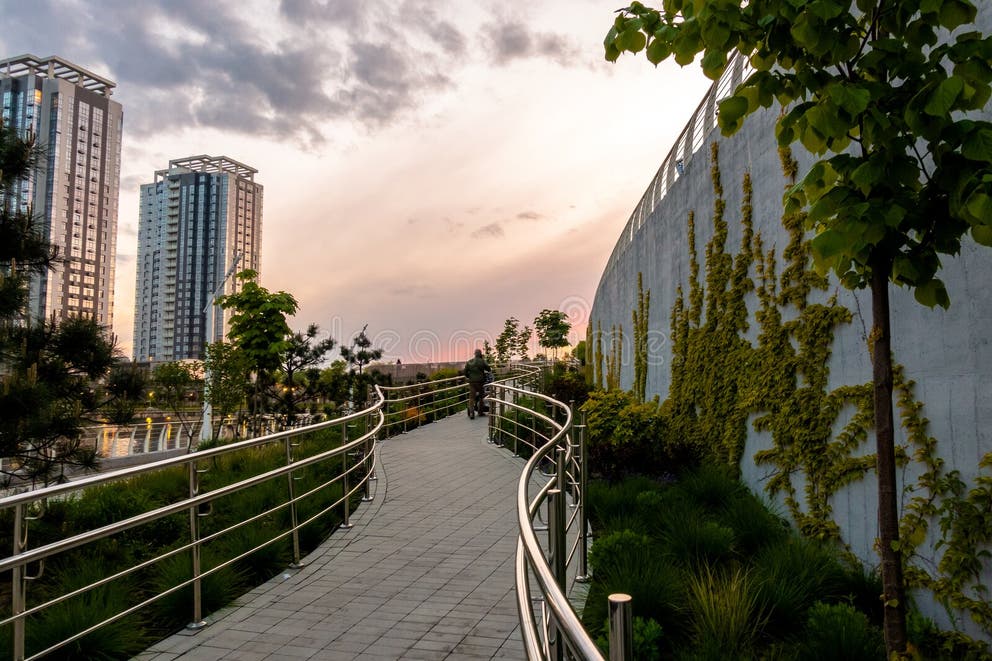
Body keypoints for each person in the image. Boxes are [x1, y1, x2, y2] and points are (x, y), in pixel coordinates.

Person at [464, 348, 490, 419]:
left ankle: (471, 413)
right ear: (480, 354)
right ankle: (480, 411)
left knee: (471, 397)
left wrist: (470, 377)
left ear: (475, 354)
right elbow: (488, 369)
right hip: (480, 382)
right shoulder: (482, 361)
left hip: (472, 382)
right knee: (481, 397)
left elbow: (465, 372)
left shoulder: (469, 361)